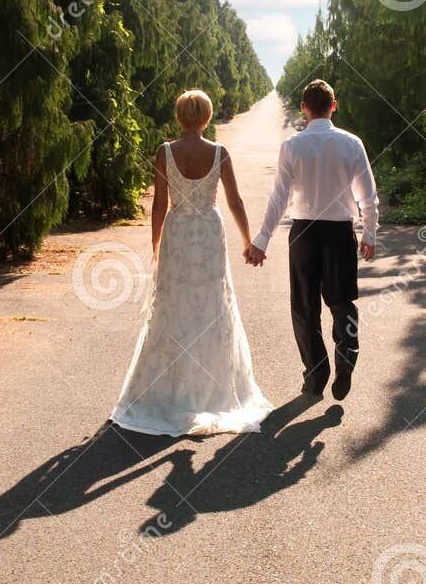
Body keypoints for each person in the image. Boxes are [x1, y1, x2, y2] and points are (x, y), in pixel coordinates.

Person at [111, 89, 273, 436]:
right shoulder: (219, 153)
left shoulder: (164, 152)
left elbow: (159, 204)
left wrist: (156, 245)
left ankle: (169, 391)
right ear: (207, 117)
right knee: (212, 307)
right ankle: (210, 389)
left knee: (173, 306)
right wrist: (248, 240)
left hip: (178, 232)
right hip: (209, 233)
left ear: (179, 117)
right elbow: (235, 202)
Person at [244, 80, 378, 401]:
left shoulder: (292, 146)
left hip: (304, 233)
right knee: (342, 299)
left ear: (304, 109)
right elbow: (368, 196)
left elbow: (279, 197)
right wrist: (369, 232)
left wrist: (261, 239)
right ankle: (347, 347)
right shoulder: (352, 143)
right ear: (334, 106)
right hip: (340, 233)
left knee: (304, 306)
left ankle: (316, 373)